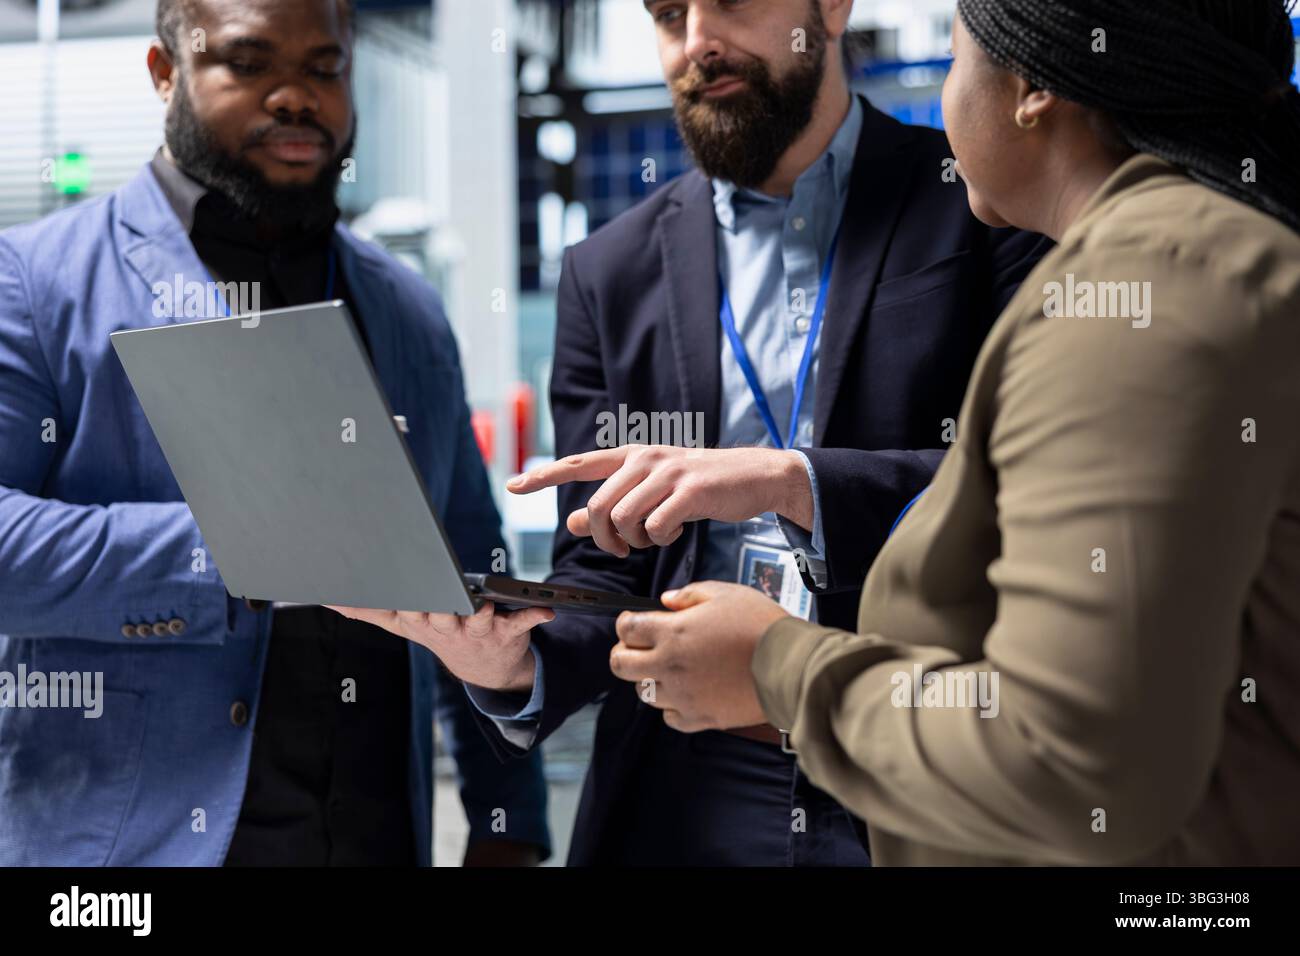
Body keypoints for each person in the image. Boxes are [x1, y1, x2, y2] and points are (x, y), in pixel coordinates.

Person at [335, 0, 1049, 865]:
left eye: (733, 3)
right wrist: (509, 668)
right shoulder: (609, 272)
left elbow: (1032, 486)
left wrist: (791, 482)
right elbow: (606, 566)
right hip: (681, 788)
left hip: (920, 758)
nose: (700, 39)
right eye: (670, 14)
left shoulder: (984, 200)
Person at [596, 0, 1300, 865]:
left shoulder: (1143, 286)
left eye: (957, 55)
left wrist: (777, 669)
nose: (943, 90)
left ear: (1033, 87)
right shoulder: (1185, 260)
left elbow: (1073, 762)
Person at [0, 0, 549, 866]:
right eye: (249, 63)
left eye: (324, 69)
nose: (296, 96)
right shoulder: (33, 282)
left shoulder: (407, 309)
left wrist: (506, 825)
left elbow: (476, 574)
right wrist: (251, 548)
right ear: (164, 72)